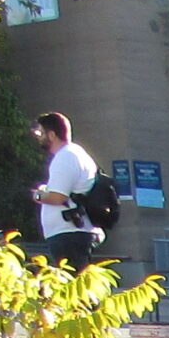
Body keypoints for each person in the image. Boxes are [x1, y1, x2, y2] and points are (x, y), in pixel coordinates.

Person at [31, 111, 101, 271]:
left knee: (72, 289)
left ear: (52, 135)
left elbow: (58, 197)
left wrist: (38, 195)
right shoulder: (74, 154)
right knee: (75, 289)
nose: (38, 136)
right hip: (72, 233)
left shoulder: (66, 157)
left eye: (40, 132)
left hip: (69, 235)